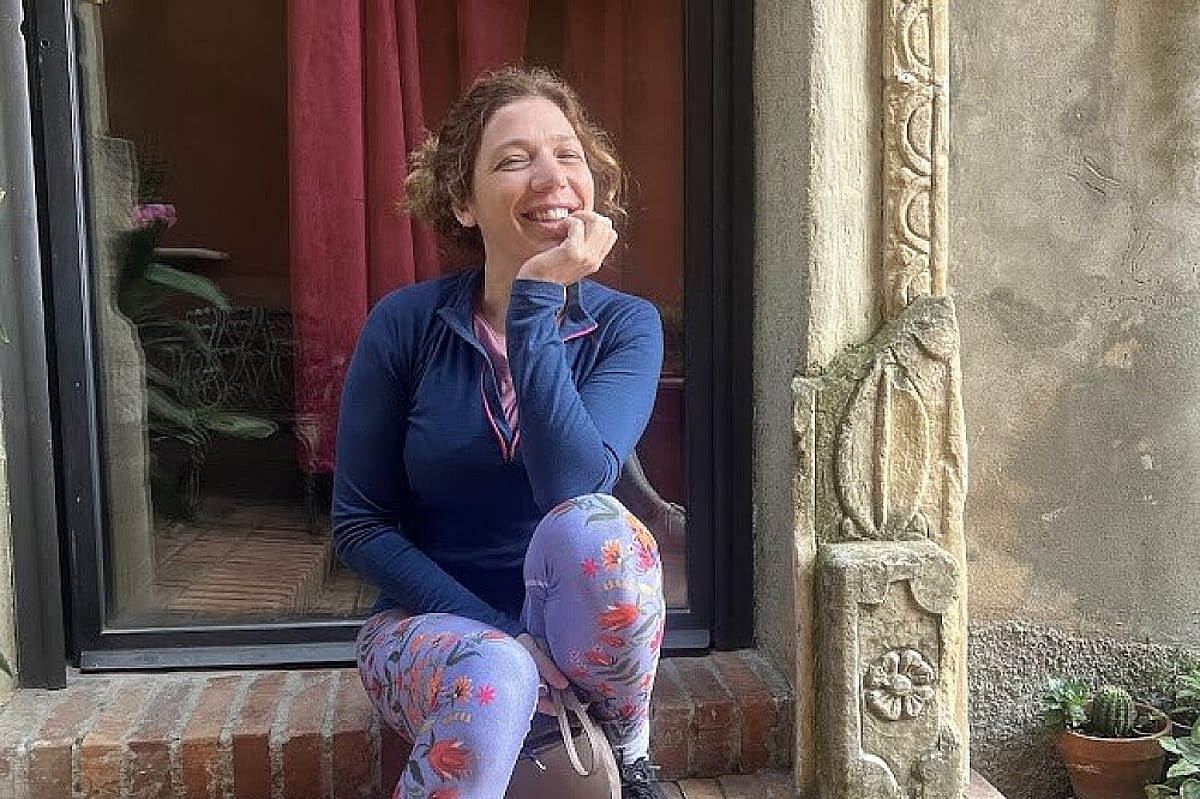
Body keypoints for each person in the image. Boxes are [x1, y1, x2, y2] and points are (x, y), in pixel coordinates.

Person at [333, 66, 667, 799]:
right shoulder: (405, 325)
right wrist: (502, 633)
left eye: (568, 154)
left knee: (598, 529)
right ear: (461, 200)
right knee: (497, 668)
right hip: (429, 631)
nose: (552, 176)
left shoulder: (624, 326)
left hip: (579, 648)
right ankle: (528, 689)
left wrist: (536, 303)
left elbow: (570, 487)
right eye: (515, 159)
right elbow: (358, 526)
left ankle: (628, 751)